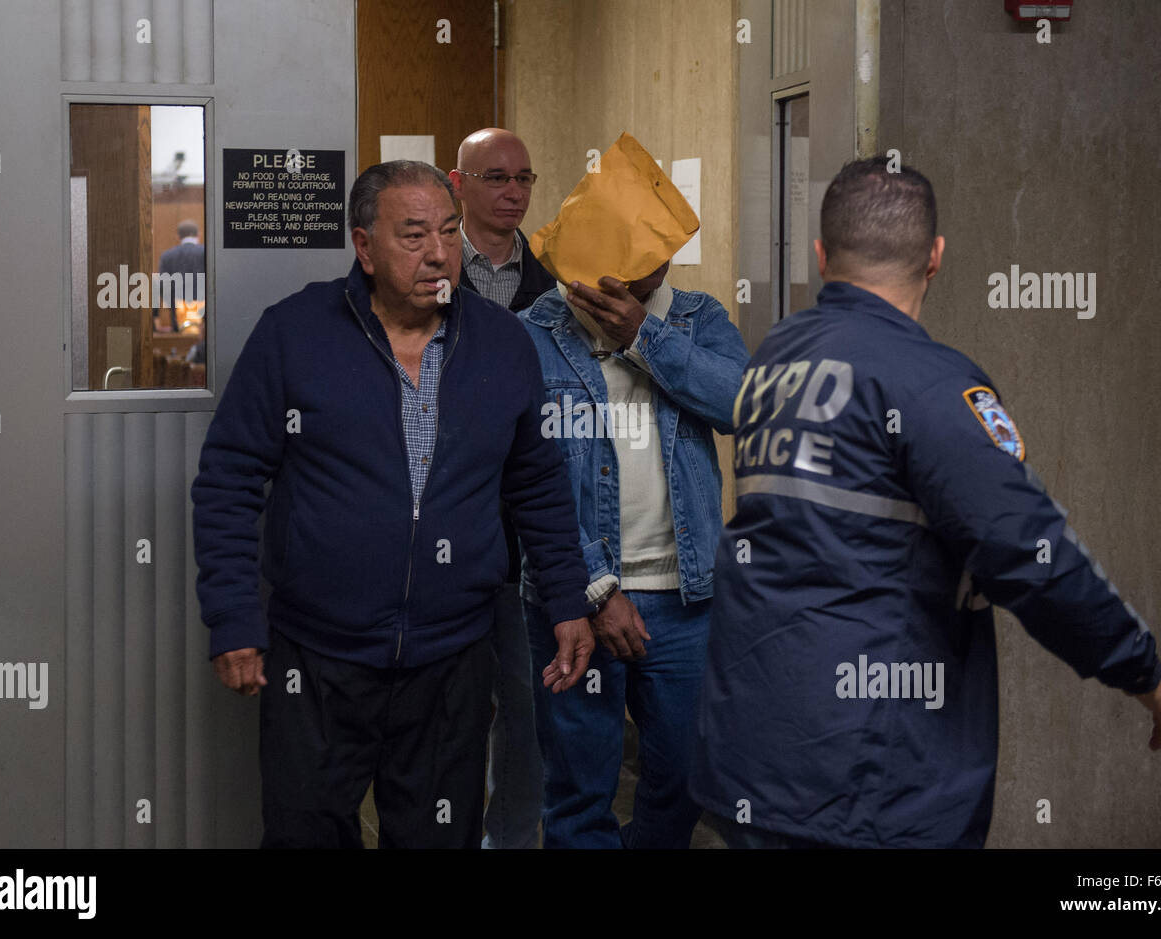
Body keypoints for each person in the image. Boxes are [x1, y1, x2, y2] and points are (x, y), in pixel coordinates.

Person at [689, 156, 1161, 849]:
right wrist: (1139, 667)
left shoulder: (775, 360)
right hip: (869, 779)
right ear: (936, 258)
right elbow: (1028, 549)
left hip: (753, 752)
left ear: (822, 254)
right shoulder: (931, 384)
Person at [191, 160, 595, 849]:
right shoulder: (294, 334)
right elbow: (228, 478)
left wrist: (566, 600)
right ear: (364, 246)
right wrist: (232, 617)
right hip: (316, 659)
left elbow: (538, 483)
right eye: (413, 235)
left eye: (445, 230)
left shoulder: (501, 343)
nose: (438, 252)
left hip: (450, 660)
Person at [519, 212, 749, 848]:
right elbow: (525, 476)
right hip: (573, 600)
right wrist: (594, 585)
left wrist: (645, 337)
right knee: (578, 791)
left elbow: (739, 403)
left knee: (685, 778)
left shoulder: (697, 319)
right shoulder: (534, 331)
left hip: (687, 596)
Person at [449, 127, 556, 849]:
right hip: (440, 529)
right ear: (458, 185)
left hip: (523, 539)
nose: (513, 191)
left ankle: (509, 841)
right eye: (495, 177)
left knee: (525, 709)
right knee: (446, 711)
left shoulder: (553, 286)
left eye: (524, 177)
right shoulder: (421, 269)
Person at [155, 220, 205, 333]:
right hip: (205, 314)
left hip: (178, 313)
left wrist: (171, 307)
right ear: (199, 234)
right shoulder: (206, 252)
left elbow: (163, 285)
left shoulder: (167, 256)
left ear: (178, 236)